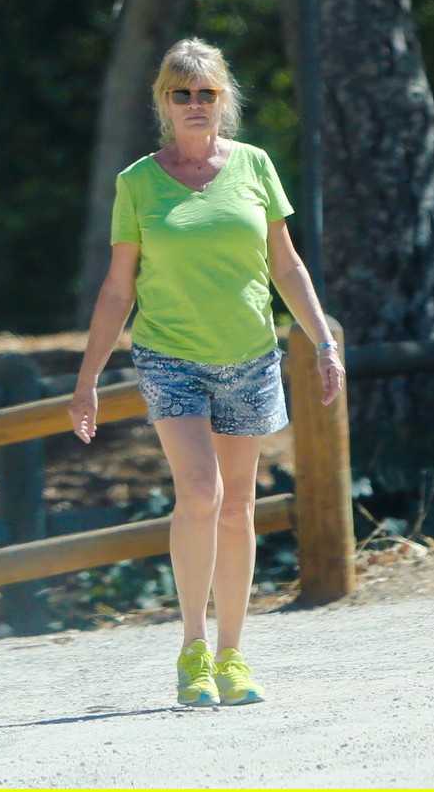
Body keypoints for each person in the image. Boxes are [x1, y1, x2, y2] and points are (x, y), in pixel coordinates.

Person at [69, 38, 345, 707]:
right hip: (170, 356)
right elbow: (116, 288)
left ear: (225, 100)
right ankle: (192, 646)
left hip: (249, 356)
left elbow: (287, 266)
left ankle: (233, 655)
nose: (195, 104)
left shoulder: (254, 166)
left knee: (239, 504)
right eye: (181, 93)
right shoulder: (137, 181)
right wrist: (87, 379)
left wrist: (323, 341)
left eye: (207, 93)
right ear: (163, 102)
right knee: (200, 491)